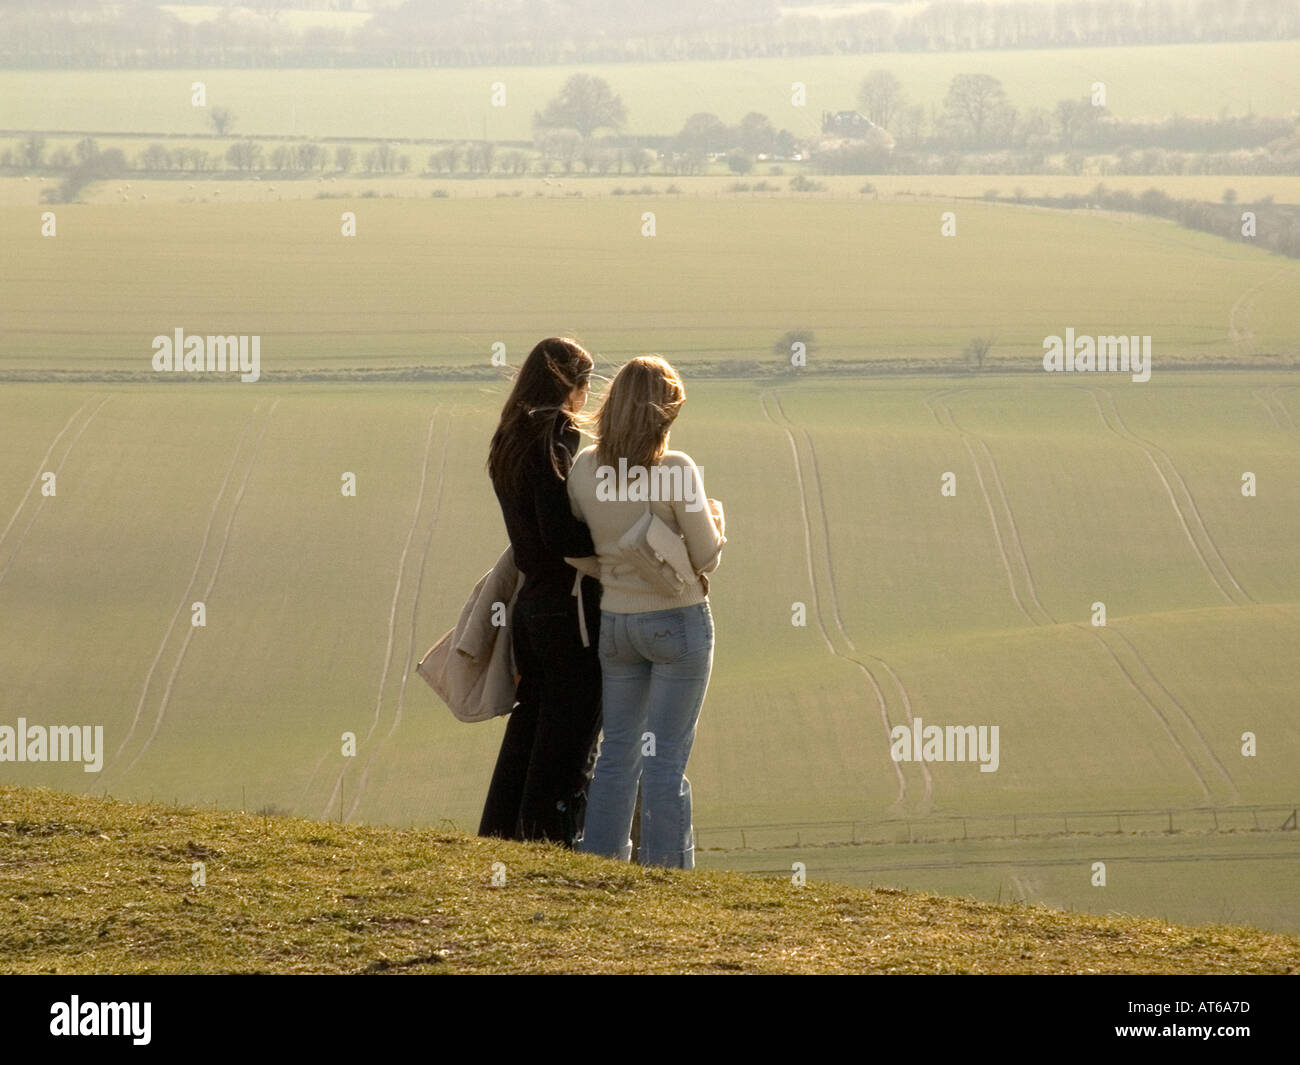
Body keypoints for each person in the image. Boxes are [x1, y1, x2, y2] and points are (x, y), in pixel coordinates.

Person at [567, 355, 725, 868]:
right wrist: (717, 520)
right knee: (665, 760)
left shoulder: (584, 468)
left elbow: (575, 546)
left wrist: (615, 571)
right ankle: (669, 870)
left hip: (616, 623)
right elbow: (707, 556)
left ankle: (602, 861)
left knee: (617, 754)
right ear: (664, 411)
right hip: (676, 619)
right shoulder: (676, 470)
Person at [478, 336, 602, 846]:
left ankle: (501, 835)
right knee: (569, 734)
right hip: (566, 607)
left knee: (529, 728)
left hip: (528, 608)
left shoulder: (508, 436)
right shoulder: (556, 432)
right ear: (571, 385)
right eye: (586, 385)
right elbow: (559, 531)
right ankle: (546, 839)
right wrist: (614, 543)